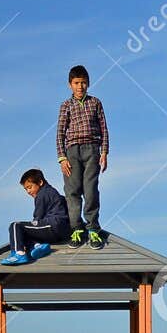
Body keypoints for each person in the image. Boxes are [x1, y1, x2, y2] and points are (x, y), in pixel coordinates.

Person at [56, 64, 108, 248]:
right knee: (72, 190)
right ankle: (77, 229)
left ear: (88, 83)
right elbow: (60, 133)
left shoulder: (95, 103)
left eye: (84, 83)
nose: (80, 87)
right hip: (71, 152)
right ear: (70, 84)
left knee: (91, 189)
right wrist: (62, 158)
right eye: (77, 83)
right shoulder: (66, 105)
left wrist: (104, 152)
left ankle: (93, 229)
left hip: (92, 150)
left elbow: (104, 128)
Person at [0, 168, 71, 265]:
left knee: (16, 226)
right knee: (27, 231)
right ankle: (37, 246)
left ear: (40, 182)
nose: (28, 191)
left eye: (30, 187)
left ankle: (18, 254)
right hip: (61, 232)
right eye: (26, 189)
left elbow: (37, 218)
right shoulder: (54, 193)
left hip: (53, 225)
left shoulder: (42, 194)